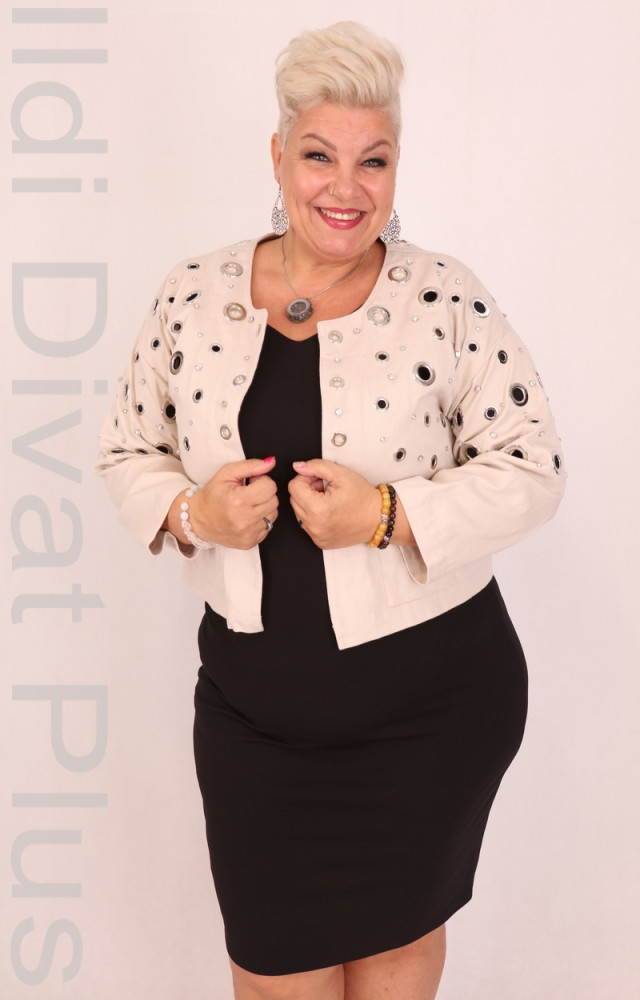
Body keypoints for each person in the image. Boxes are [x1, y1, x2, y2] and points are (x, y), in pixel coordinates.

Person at [95, 21, 565, 1000]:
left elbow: (533, 467)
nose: (345, 187)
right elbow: (128, 447)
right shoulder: (193, 295)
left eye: (372, 160)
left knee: (394, 959)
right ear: (278, 156)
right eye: (319, 155)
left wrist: (387, 514)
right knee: (275, 976)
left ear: (396, 168)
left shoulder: (443, 297)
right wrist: (191, 513)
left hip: (433, 714)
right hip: (255, 721)